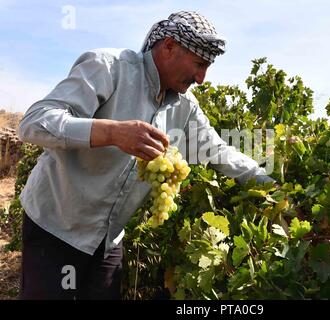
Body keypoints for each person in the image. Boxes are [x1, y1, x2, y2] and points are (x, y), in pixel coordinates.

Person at [18, 11, 274, 300]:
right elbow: (34, 123)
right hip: (56, 229)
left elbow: (217, 150)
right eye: (200, 64)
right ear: (168, 47)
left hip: (107, 241)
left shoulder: (186, 107)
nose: (202, 79)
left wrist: (268, 183)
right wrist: (112, 132)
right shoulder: (108, 67)